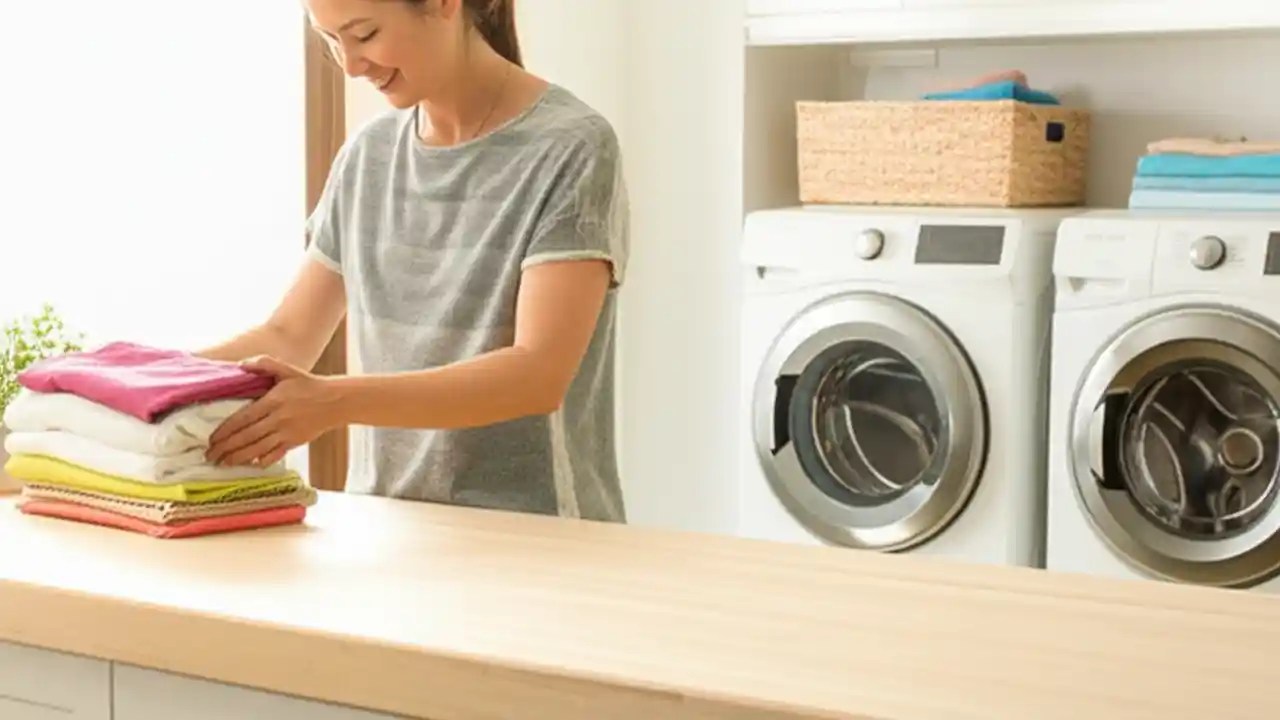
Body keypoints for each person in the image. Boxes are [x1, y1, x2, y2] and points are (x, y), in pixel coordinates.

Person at [198, 0, 629, 523]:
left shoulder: (571, 146)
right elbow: (289, 336)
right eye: (332, 42)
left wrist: (335, 402)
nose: (352, 65)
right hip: (389, 535)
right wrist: (136, 378)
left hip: (536, 540)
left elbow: (537, 373)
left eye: (365, 34)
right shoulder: (368, 155)